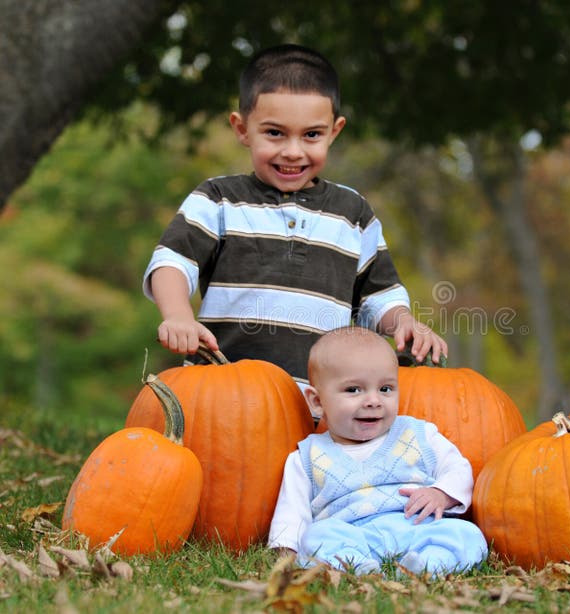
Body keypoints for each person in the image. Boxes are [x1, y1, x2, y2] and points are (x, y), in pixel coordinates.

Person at [142, 44, 447, 412]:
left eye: (311, 136)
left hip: (321, 408)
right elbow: (172, 263)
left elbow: (379, 297)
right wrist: (178, 316)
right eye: (274, 133)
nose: (293, 151)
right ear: (242, 129)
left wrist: (404, 322)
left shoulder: (353, 213)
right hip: (224, 402)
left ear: (334, 132)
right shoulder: (219, 200)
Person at [267, 326, 488, 575]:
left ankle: (428, 566)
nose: (373, 400)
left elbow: (457, 467)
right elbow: (292, 511)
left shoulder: (418, 434)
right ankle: (358, 568)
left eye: (385, 389)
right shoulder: (307, 457)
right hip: (351, 534)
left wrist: (441, 493)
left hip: (417, 527)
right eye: (353, 390)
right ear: (317, 402)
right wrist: (287, 551)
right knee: (317, 536)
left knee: (468, 535)